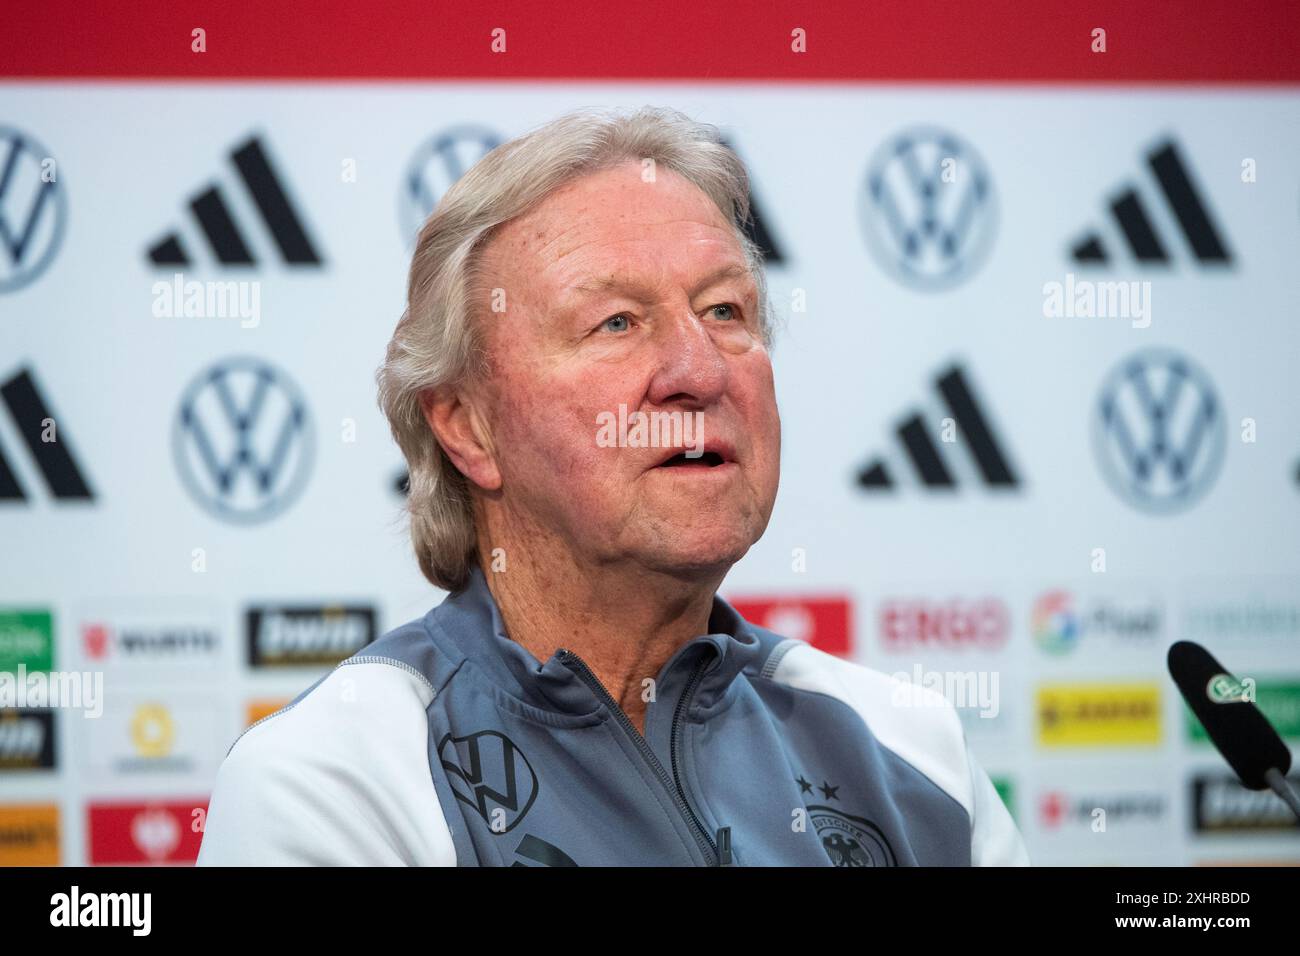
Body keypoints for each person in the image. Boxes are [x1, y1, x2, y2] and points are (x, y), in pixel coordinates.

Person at [197, 105, 1030, 866]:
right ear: (466, 426)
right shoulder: (337, 783)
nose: (698, 371)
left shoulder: (912, 750)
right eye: (616, 323)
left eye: (725, 312)